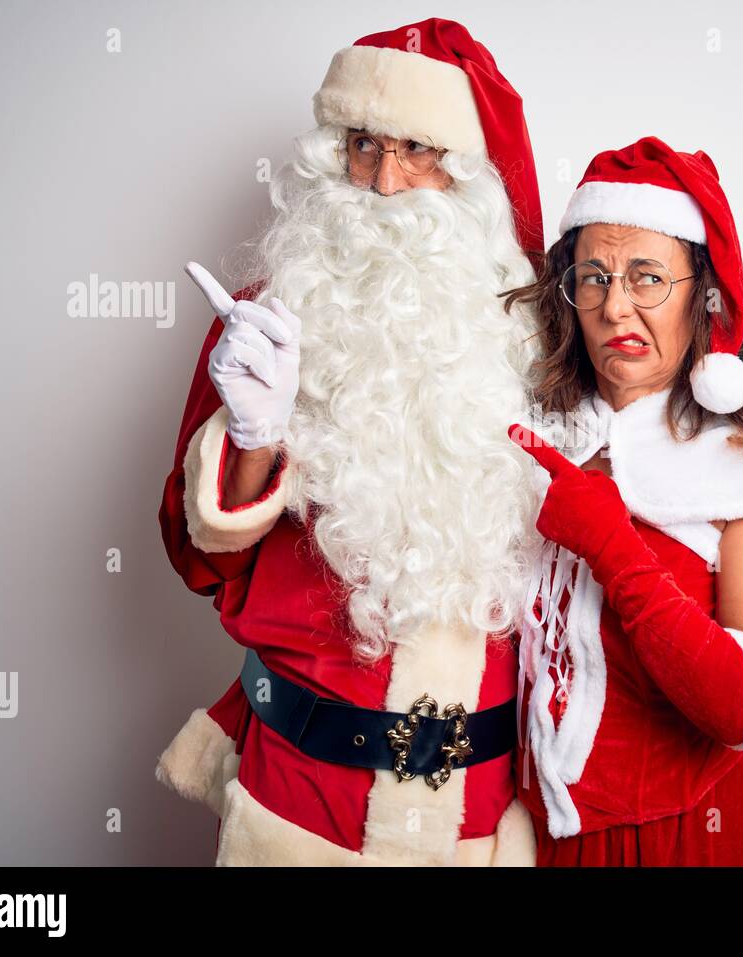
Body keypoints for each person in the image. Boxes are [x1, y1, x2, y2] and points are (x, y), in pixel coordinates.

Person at [153, 18, 547, 866]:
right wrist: (255, 433)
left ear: (471, 182)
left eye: (417, 150)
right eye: (362, 146)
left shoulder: (531, 338)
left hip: (477, 817)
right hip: (300, 804)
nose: (382, 181)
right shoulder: (268, 320)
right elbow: (195, 558)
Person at [502, 136, 743, 865]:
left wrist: (614, 546)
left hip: (689, 837)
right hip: (539, 843)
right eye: (593, 278)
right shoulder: (543, 438)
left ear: (702, 292)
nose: (616, 307)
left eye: (648, 278)